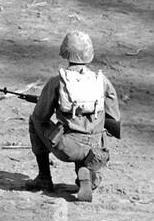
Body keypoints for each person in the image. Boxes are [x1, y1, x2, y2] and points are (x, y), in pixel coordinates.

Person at [24, 31, 121, 202]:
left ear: (65, 52)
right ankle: (87, 174)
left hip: (68, 149)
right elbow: (114, 118)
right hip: (97, 149)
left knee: (35, 122)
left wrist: (57, 106)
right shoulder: (102, 81)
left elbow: (40, 116)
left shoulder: (58, 82)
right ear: (90, 54)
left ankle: (44, 178)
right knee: (91, 134)